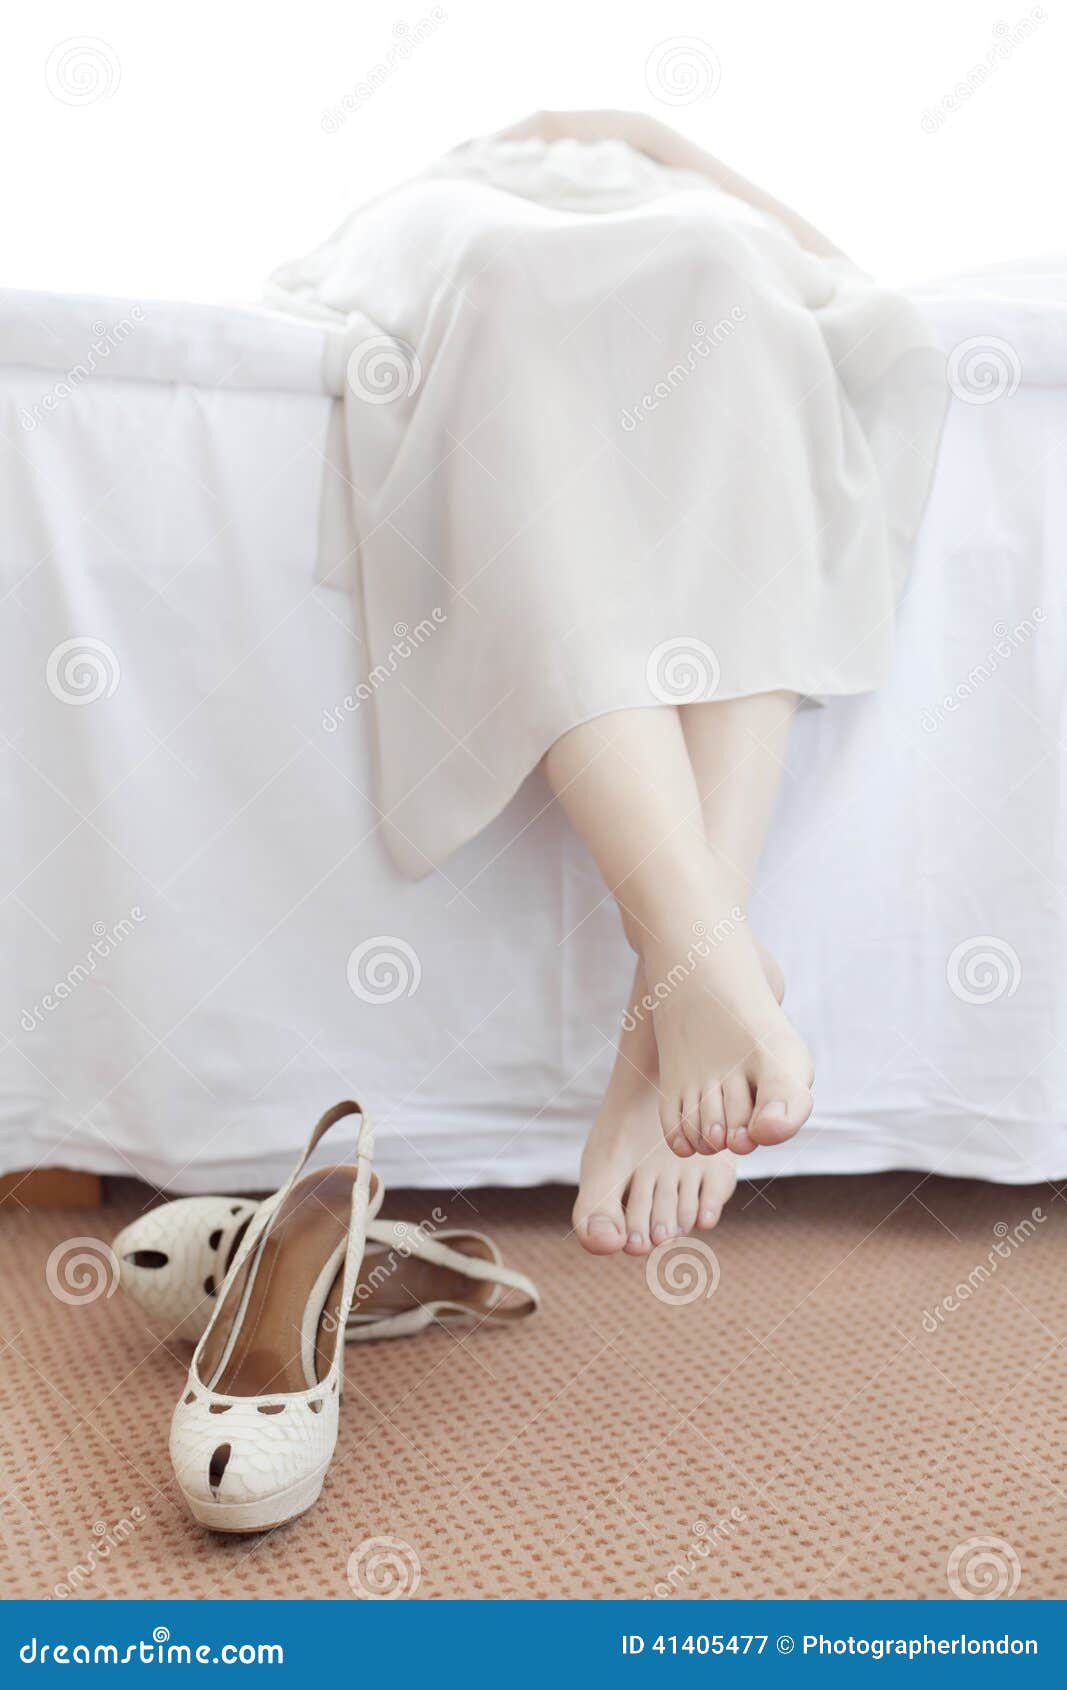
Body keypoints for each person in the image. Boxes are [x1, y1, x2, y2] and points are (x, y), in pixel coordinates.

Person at [274, 108, 947, 1257]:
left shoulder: (650, 152)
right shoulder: (449, 171)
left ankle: (683, 970)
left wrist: (663, 149)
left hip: (683, 227)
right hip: (473, 229)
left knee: (727, 277)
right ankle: (704, 952)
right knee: (502, 275)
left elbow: (814, 252)